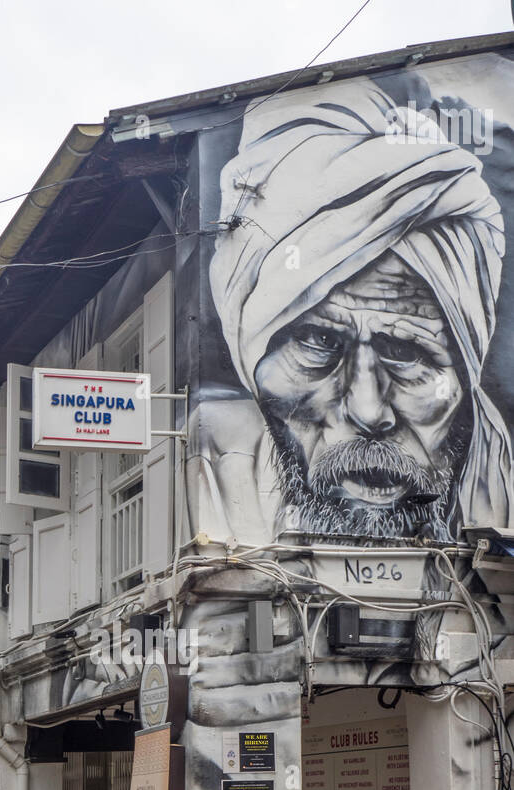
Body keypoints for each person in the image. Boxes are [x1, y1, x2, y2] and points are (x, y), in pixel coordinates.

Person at [209, 77, 513, 541]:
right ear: (250, 354)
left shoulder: (499, 493)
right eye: (319, 342)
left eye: (407, 352)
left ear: (468, 382)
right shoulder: (217, 466)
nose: (369, 412)